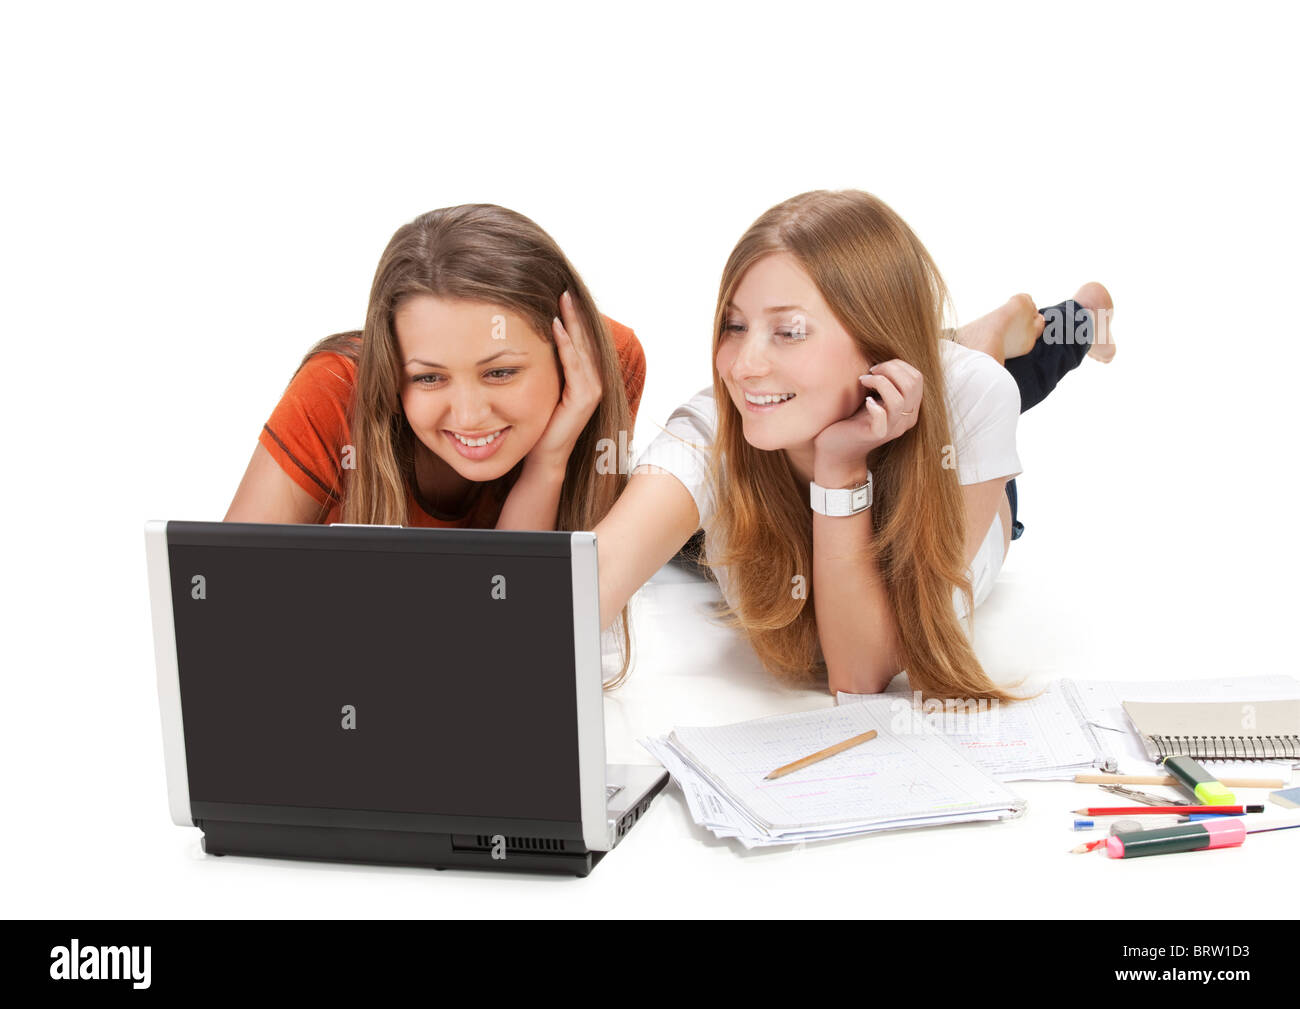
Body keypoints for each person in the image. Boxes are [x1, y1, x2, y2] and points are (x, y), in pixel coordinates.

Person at [592, 189, 1114, 700]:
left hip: (953, 470)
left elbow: (860, 675)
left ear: (876, 339)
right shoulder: (710, 431)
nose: (742, 366)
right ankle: (964, 340)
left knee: (1000, 377)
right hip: (876, 393)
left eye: (790, 331)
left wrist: (839, 466)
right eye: (734, 324)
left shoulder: (970, 401)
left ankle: (1069, 316)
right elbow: (588, 588)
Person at [223, 203, 647, 683]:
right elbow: (226, 623)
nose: (468, 416)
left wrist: (547, 463)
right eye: (428, 378)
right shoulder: (336, 392)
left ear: (565, 352)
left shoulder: (603, 365)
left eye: (501, 372)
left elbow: (512, 634)